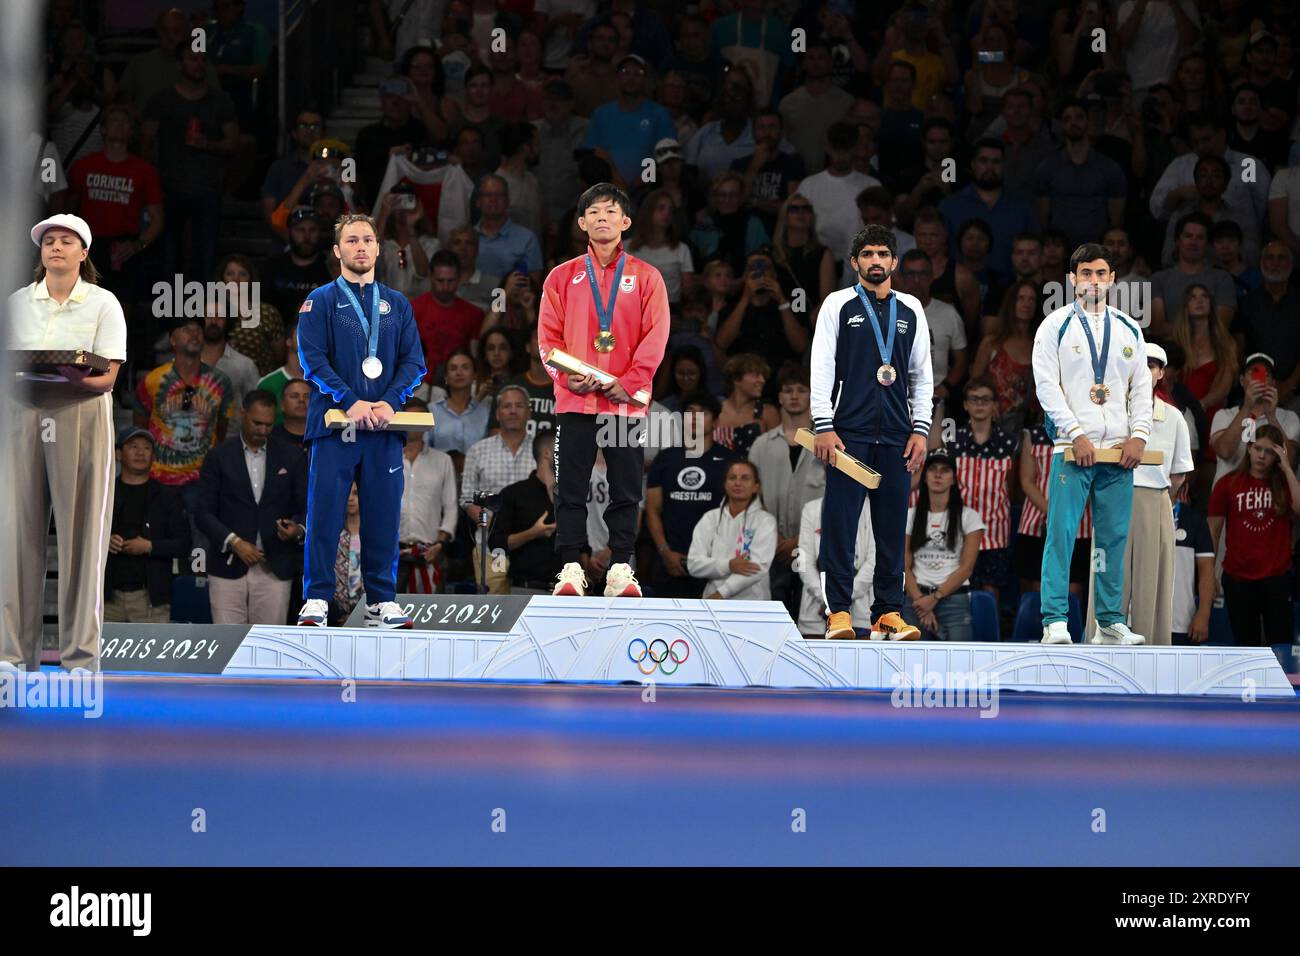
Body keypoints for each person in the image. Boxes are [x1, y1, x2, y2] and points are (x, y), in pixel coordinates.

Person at [2, 215, 125, 671]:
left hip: (80, 409)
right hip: (22, 410)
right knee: (15, 534)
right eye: (49, 241)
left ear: (83, 252)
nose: (55, 247)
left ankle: (80, 659)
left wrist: (77, 379)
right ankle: (12, 655)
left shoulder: (103, 302)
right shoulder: (18, 302)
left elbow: (108, 377)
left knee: (83, 537)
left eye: (66, 241)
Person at [538, 182, 670, 598]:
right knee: (571, 486)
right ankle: (570, 567)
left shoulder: (647, 276)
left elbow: (656, 336)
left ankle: (620, 568)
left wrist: (628, 383)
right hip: (575, 399)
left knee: (626, 487)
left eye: (611, 212)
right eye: (593, 212)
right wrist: (564, 377)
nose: (602, 218)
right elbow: (547, 340)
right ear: (581, 223)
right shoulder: (561, 277)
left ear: (625, 222)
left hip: (623, 404)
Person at [295, 213, 426, 628]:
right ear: (337, 250)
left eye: (368, 239)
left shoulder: (397, 304)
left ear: (378, 248)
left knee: (383, 515)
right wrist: (350, 400)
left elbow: (414, 363)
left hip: (383, 426)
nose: (361, 247)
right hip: (336, 423)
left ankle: (380, 600)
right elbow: (312, 361)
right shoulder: (320, 301)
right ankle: (317, 599)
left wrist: (390, 402)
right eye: (351, 240)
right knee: (325, 513)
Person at [810, 224, 933, 641]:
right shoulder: (838, 304)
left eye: (882, 254)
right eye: (867, 254)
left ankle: (887, 613)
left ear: (894, 261)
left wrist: (921, 430)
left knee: (892, 529)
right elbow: (821, 367)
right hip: (848, 434)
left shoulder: (911, 308)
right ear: (854, 262)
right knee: (841, 527)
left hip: (897, 435)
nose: (875, 261)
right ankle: (839, 612)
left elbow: (921, 375)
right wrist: (823, 425)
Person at [1032, 242, 1153, 646]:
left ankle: (1110, 621)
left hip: (1118, 452)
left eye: (1101, 273)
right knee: (1062, 534)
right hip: (1072, 448)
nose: (1094, 281)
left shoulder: (1129, 328)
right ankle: (1054, 621)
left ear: (1113, 279)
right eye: (1086, 274)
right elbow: (1046, 386)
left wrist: (1139, 435)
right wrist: (1075, 432)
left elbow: (1141, 388)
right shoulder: (1054, 326)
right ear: (1072, 279)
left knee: (1113, 538)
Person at [1082, 343, 1193, 645]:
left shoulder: (1173, 418)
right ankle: (1098, 649)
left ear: (1161, 373)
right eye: (1138, 365)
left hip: (1154, 500)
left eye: (1151, 366)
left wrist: (1159, 504)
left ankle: (1153, 653)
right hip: (1112, 498)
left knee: (1152, 583)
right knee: (1104, 576)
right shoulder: (1107, 413)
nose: (1144, 371)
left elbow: (1179, 474)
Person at [196, 390, 308, 626]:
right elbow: (203, 512)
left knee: (269, 643)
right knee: (227, 643)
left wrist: (297, 529)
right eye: (257, 423)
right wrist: (234, 542)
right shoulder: (219, 456)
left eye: (269, 425)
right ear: (242, 414)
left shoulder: (292, 456)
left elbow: (306, 506)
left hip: (275, 565)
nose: (263, 430)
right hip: (226, 566)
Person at [1208, 425, 1300, 646]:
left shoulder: (1284, 485)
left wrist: (1287, 467)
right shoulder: (1227, 484)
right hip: (1238, 576)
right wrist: (1209, 575)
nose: (1262, 456)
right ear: (1249, 448)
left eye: (1269, 452)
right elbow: (1213, 531)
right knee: (1245, 646)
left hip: (1277, 577)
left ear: (1277, 456)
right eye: (1258, 448)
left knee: (1280, 645)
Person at [134, 316, 235, 513]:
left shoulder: (220, 382)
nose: (194, 334)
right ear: (172, 339)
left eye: (198, 330)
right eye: (187, 330)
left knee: (200, 532)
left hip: (202, 479)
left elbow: (222, 428)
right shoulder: (152, 380)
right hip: (159, 478)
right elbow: (140, 427)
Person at [749, 366, 825, 614]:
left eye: (801, 390)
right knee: (776, 614)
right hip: (773, 545)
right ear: (779, 397)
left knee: (813, 618)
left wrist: (800, 539)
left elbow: (833, 497)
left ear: (812, 396)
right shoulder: (761, 444)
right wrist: (774, 536)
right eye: (788, 390)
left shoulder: (826, 443)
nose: (794, 396)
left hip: (817, 545)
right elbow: (753, 496)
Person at [646, 393, 737, 598]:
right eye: (690, 412)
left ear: (716, 421)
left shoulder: (730, 461)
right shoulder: (665, 458)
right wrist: (664, 551)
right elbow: (652, 510)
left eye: (703, 413)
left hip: (716, 561)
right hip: (670, 560)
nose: (695, 418)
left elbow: (740, 512)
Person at [104, 426, 191, 624]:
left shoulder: (168, 497)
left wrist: (150, 546)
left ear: (153, 456)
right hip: (107, 598)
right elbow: (82, 539)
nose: (140, 452)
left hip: (151, 600)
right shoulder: (104, 494)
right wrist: (104, 542)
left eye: (147, 448)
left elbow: (185, 545)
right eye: (133, 446)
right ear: (118, 454)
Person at [460, 384, 536, 592]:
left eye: (519, 406)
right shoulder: (478, 450)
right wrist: (491, 522)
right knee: (494, 607)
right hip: (490, 548)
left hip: (532, 544)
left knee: (529, 604)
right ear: (497, 414)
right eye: (507, 406)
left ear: (529, 413)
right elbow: (466, 499)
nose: (513, 411)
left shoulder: (542, 451)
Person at [950, 377, 1018, 608]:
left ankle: (989, 629)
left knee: (991, 590)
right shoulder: (954, 441)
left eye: (986, 399)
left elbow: (1011, 486)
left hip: (995, 528)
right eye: (974, 399)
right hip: (959, 528)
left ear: (994, 405)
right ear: (965, 404)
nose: (979, 404)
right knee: (958, 586)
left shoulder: (1008, 442)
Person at [902, 448, 984, 641]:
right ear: (924, 477)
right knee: (909, 658)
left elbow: (966, 568)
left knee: (960, 659)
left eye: (945, 470)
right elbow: (903, 566)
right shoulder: (910, 515)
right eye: (932, 469)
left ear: (954, 479)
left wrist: (934, 598)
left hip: (954, 599)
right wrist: (921, 602)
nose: (938, 474)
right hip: (915, 599)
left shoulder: (969, 516)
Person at [687, 460, 778, 601]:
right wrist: (729, 565)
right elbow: (694, 564)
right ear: (725, 484)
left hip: (752, 603)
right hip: (712, 600)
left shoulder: (765, 521)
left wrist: (721, 593)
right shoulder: (710, 518)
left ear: (756, 486)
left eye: (745, 478)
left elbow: (757, 567)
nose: (738, 483)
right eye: (732, 478)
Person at [489, 429, 564, 592]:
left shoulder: (569, 497)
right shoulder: (513, 494)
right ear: (547, 453)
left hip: (567, 592)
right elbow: (496, 544)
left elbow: (582, 544)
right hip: (526, 589)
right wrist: (532, 533)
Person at [1209, 353, 1300, 485]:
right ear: (1242, 381)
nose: (1259, 380)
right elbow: (1224, 451)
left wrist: (1271, 416)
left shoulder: (1289, 418)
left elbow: (1289, 461)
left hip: (1268, 493)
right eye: (1253, 373)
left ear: (1273, 383)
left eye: (1266, 375)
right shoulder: (1224, 415)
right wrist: (1247, 408)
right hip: (1229, 492)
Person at [397, 397, 457, 593]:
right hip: (392, 552)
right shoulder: (385, 459)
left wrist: (440, 543)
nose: (413, 424)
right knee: (388, 607)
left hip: (431, 551)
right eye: (408, 418)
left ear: (428, 423)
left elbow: (451, 507)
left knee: (430, 609)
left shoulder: (443, 460)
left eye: (419, 418)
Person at [797, 493, 874, 637]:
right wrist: (826, 598)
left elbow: (873, 562)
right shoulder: (811, 509)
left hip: (860, 615)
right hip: (814, 617)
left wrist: (839, 599)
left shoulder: (872, 509)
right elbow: (803, 562)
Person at [410, 250, 483, 382]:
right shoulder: (412, 310)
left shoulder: (473, 314)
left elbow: (475, 356)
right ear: (431, 277)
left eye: (450, 281)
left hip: (458, 382)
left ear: (459, 278)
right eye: (440, 280)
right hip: (420, 383)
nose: (445, 287)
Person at [430, 349, 490, 467]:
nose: (459, 372)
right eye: (453, 368)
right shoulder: (432, 411)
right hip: (438, 474)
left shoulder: (486, 412)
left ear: (474, 375)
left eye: (465, 367)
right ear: (446, 377)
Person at [713, 353, 780, 455]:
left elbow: (777, 454)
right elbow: (695, 449)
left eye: (763, 376)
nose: (762, 380)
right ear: (736, 379)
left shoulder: (768, 413)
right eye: (756, 375)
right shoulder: (712, 408)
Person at [273, 379, 310, 448]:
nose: (301, 400)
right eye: (294, 396)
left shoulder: (323, 437)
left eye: (307, 396)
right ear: (282, 405)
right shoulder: (271, 438)